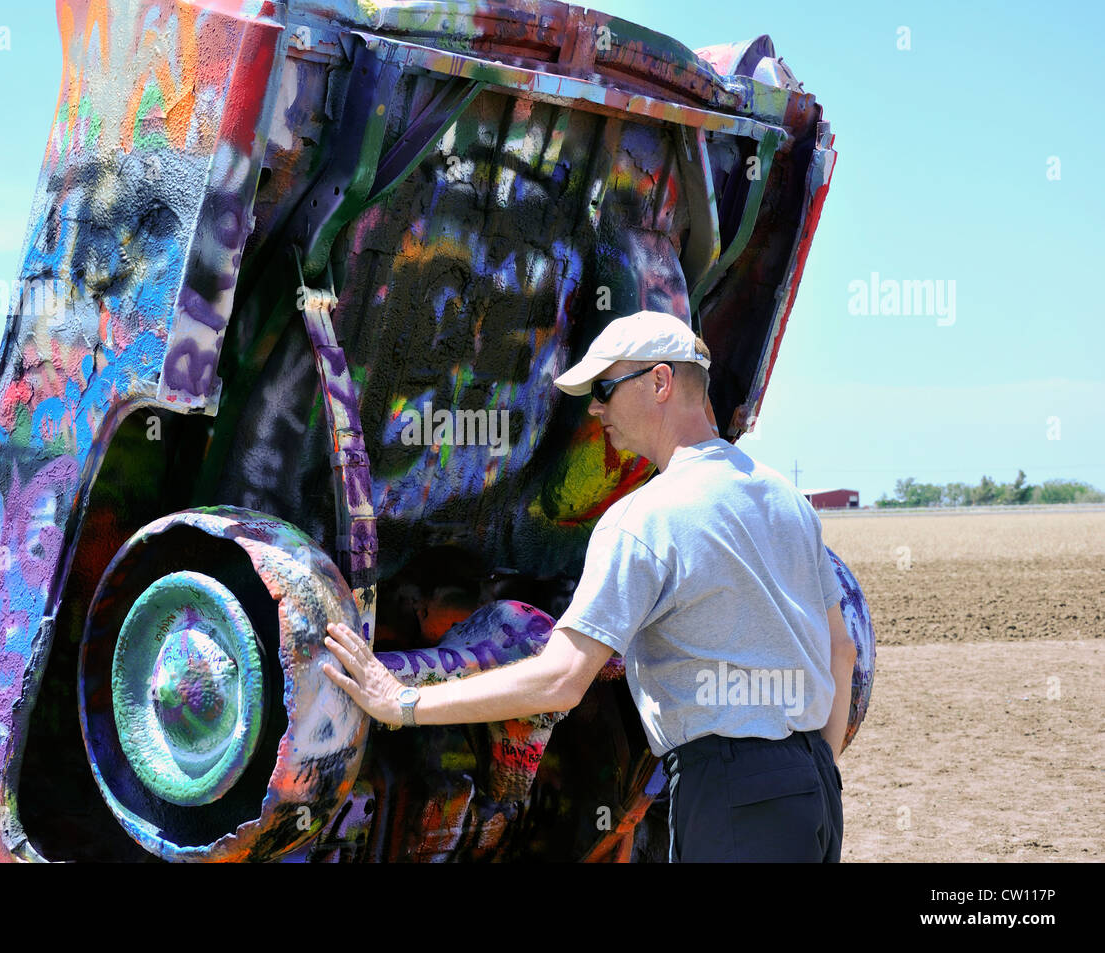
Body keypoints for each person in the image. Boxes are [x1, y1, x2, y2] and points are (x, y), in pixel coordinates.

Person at [323, 309, 857, 862]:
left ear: (660, 382)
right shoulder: (786, 500)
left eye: (604, 388)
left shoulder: (645, 517)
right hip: (813, 788)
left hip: (730, 794)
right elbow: (841, 651)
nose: (595, 408)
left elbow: (560, 680)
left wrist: (404, 702)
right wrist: (814, 766)